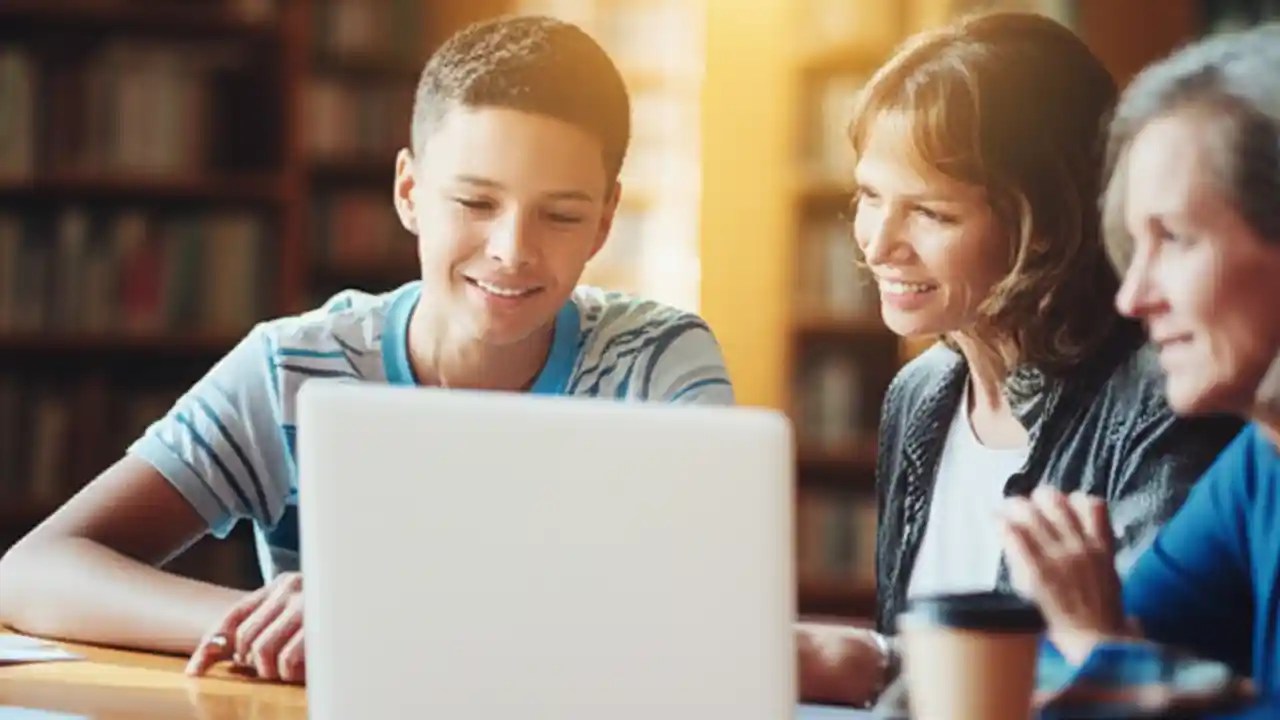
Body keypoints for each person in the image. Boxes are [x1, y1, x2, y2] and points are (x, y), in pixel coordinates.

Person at [0, 15, 733, 685]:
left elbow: (711, 624)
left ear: (604, 223)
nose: (512, 250)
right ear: (409, 192)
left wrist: (372, 624)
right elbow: (31, 572)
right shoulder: (292, 368)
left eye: (562, 215)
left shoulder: (657, 362)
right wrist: (267, 624)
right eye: (475, 203)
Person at [796, 12, 1242, 706]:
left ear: (1047, 223)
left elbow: (1138, 685)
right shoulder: (919, 395)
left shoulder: (1163, 400)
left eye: (932, 213)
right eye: (869, 196)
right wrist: (871, 658)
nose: (878, 243)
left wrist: (879, 665)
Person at [1000, 22, 1280, 700]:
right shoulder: (1259, 464)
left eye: (1176, 239)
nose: (1133, 296)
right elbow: (1072, 667)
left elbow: (1104, 663)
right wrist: (875, 660)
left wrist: (1105, 655)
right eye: (1135, 244)